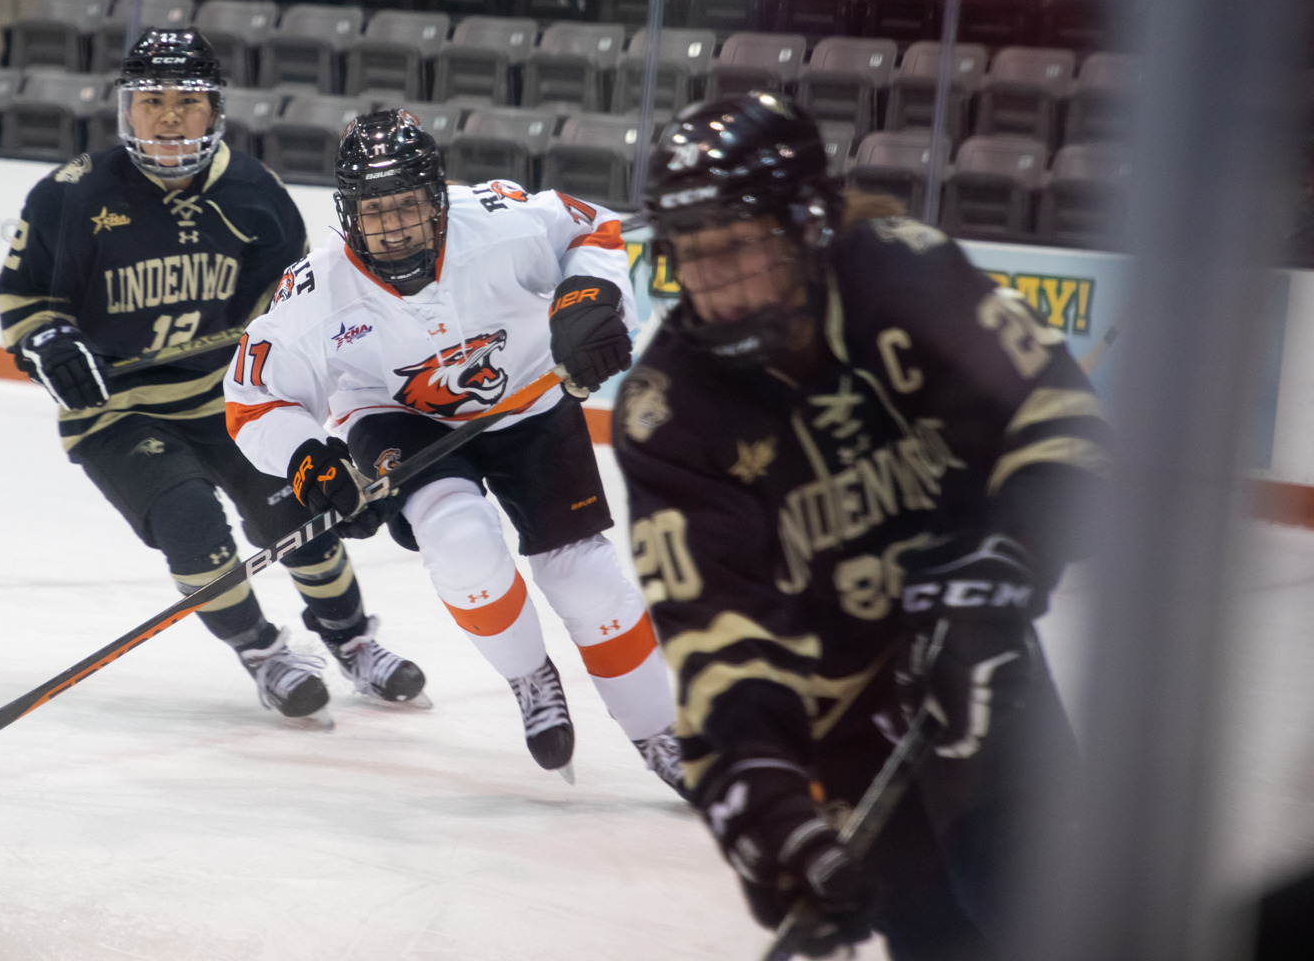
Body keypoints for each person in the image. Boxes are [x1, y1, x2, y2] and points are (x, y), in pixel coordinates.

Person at [615, 93, 1101, 958]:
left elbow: (1060, 422)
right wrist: (766, 807)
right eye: (693, 255)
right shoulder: (670, 411)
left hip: (978, 665)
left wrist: (1006, 557)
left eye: (735, 247)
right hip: (843, 742)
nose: (714, 285)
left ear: (805, 228)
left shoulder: (901, 276)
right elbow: (717, 639)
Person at [222, 109, 685, 788]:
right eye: (375, 212)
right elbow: (252, 399)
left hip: (529, 397)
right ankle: (531, 677)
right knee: (460, 538)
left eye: (408, 205)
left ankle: (660, 734)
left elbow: (592, 228)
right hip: (395, 416)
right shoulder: (317, 290)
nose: (394, 226)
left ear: (439, 197)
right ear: (348, 215)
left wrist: (592, 295)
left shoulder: (500, 221)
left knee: (583, 577)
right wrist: (307, 456)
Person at [0, 30, 426, 724]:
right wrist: (48, 342)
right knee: (190, 522)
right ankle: (264, 654)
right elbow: (23, 299)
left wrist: (328, 425)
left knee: (302, 516)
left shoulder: (256, 195)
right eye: (152, 101)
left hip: (231, 403)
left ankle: (352, 641)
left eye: (187, 101)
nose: (169, 117)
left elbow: (293, 318)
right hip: (118, 417)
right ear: (125, 111)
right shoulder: (68, 197)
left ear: (215, 111)